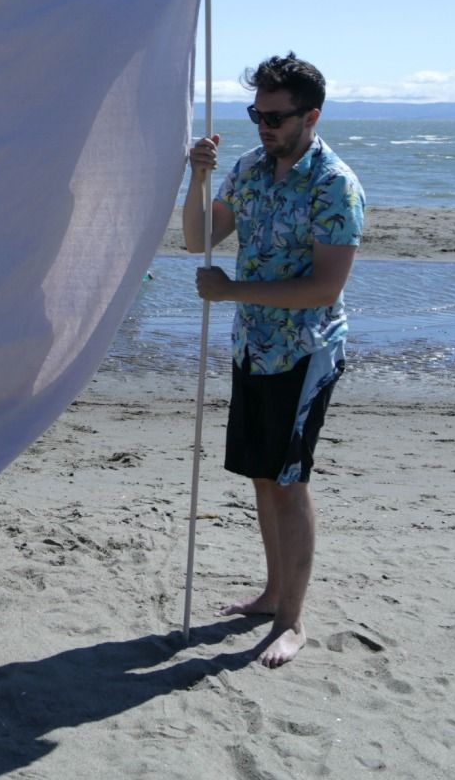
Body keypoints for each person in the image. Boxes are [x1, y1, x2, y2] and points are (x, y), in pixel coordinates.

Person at [182, 52, 364, 669]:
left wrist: (232, 290)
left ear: (310, 115)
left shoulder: (334, 183)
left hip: (305, 351)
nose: (264, 125)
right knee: (263, 475)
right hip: (253, 345)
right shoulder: (249, 169)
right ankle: (270, 594)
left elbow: (324, 288)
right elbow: (198, 238)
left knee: (289, 480)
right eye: (256, 113)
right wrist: (198, 178)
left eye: (276, 116)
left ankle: (292, 620)